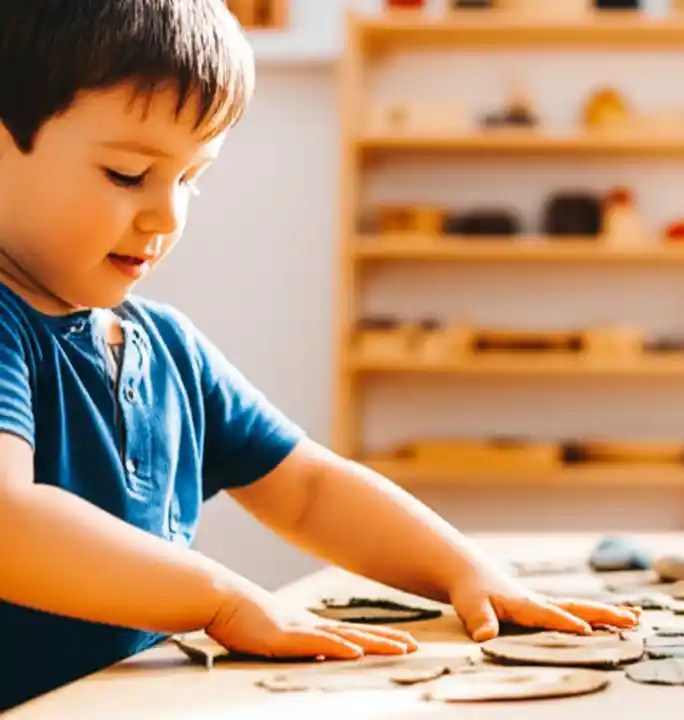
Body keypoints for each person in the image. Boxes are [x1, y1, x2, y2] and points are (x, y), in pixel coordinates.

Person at [0, 1, 637, 708]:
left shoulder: (167, 346)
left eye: (190, 178)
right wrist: (221, 601)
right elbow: (7, 523)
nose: (169, 216)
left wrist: (466, 572)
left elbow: (307, 489)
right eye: (126, 174)